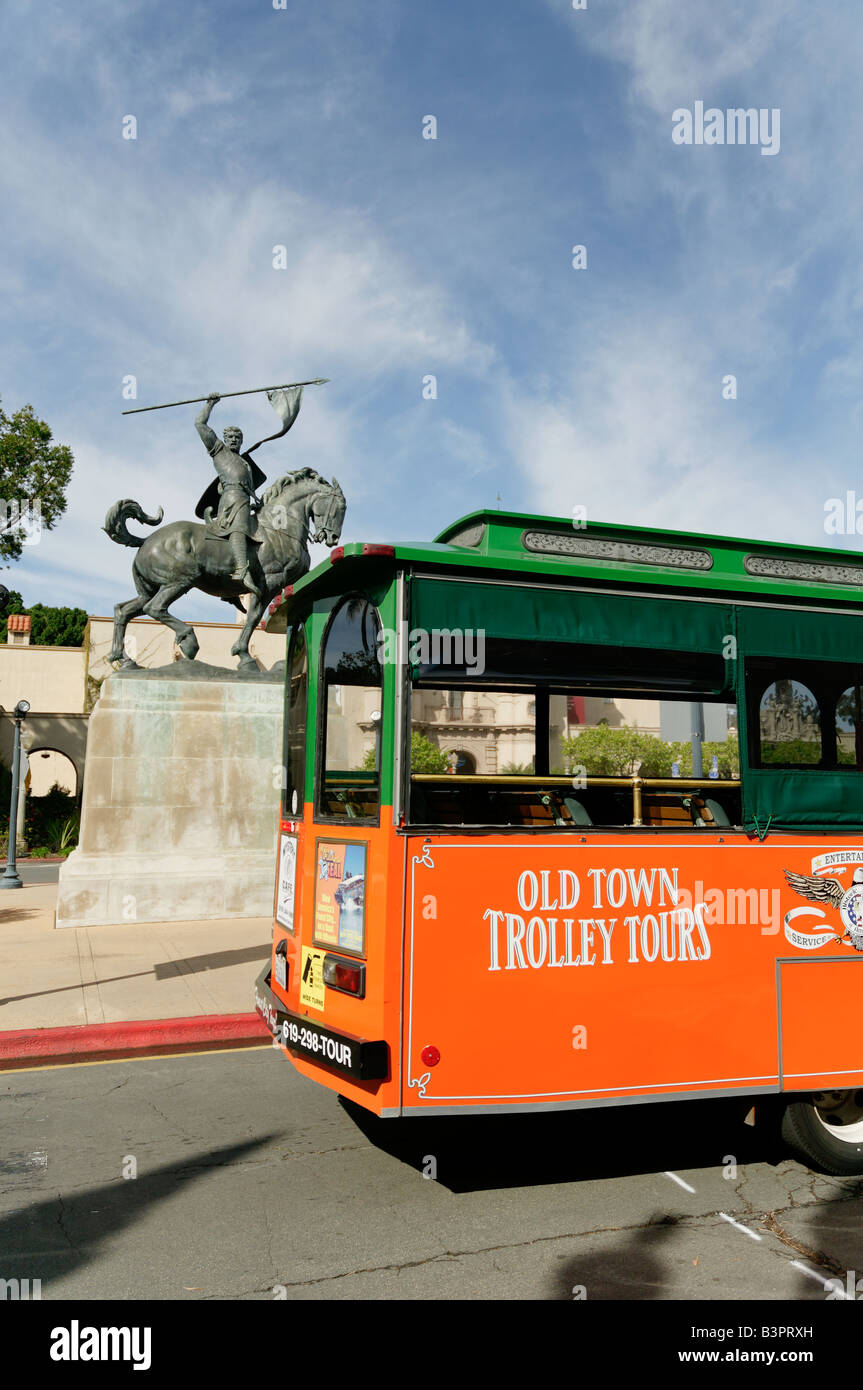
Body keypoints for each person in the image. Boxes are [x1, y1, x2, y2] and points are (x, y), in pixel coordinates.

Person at [194, 393, 266, 595]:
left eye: (237, 438)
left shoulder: (245, 463)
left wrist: (258, 503)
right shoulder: (219, 451)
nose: (233, 440)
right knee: (239, 527)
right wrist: (210, 404)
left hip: (244, 498)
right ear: (224, 440)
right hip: (232, 499)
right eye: (230, 437)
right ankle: (241, 570)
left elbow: (250, 488)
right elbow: (200, 424)